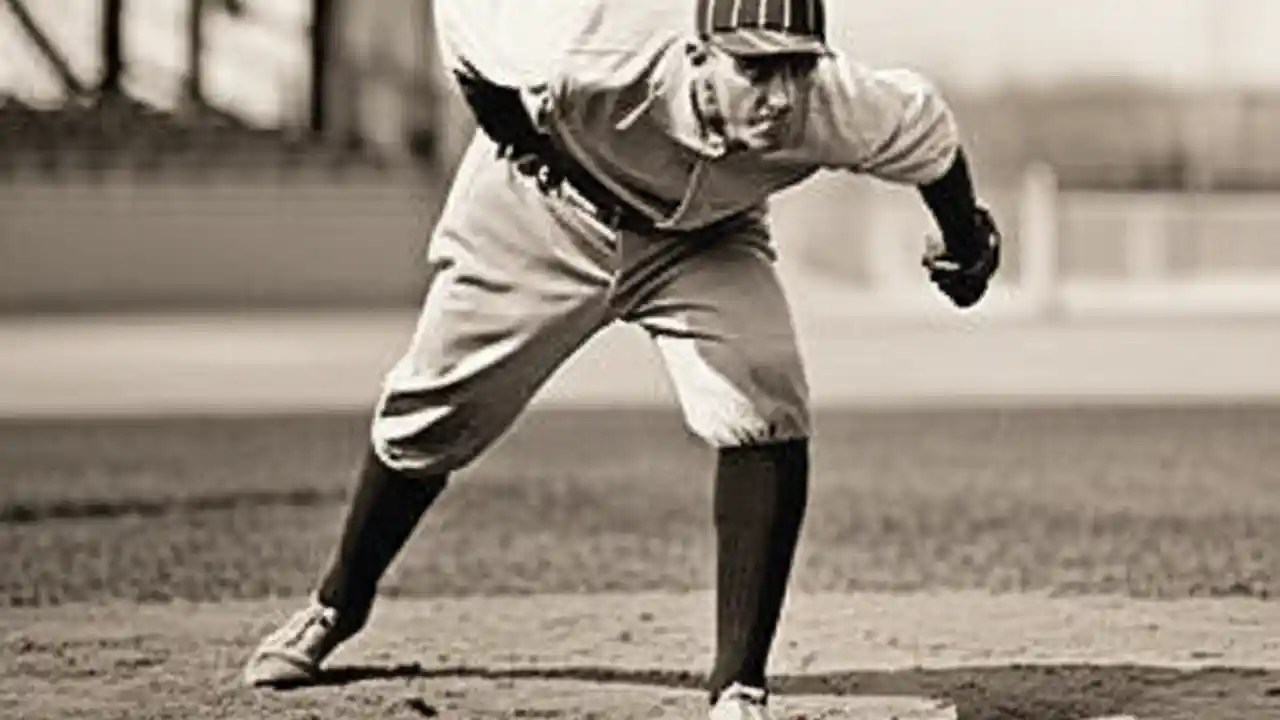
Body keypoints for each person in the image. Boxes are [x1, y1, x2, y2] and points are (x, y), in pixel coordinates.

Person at [243, 0, 1001, 717]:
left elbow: (930, 137)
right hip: (543, 209)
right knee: (428, 414)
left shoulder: (836, 107)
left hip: (704, 240)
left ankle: (739, 686)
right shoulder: (586, 54)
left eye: (797, 67)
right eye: (756, 69)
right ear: (700, 55)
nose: (780, 96)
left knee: (765, 396)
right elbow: (467, 29)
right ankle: (337, 604)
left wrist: (967, 245)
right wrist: (523, 136)